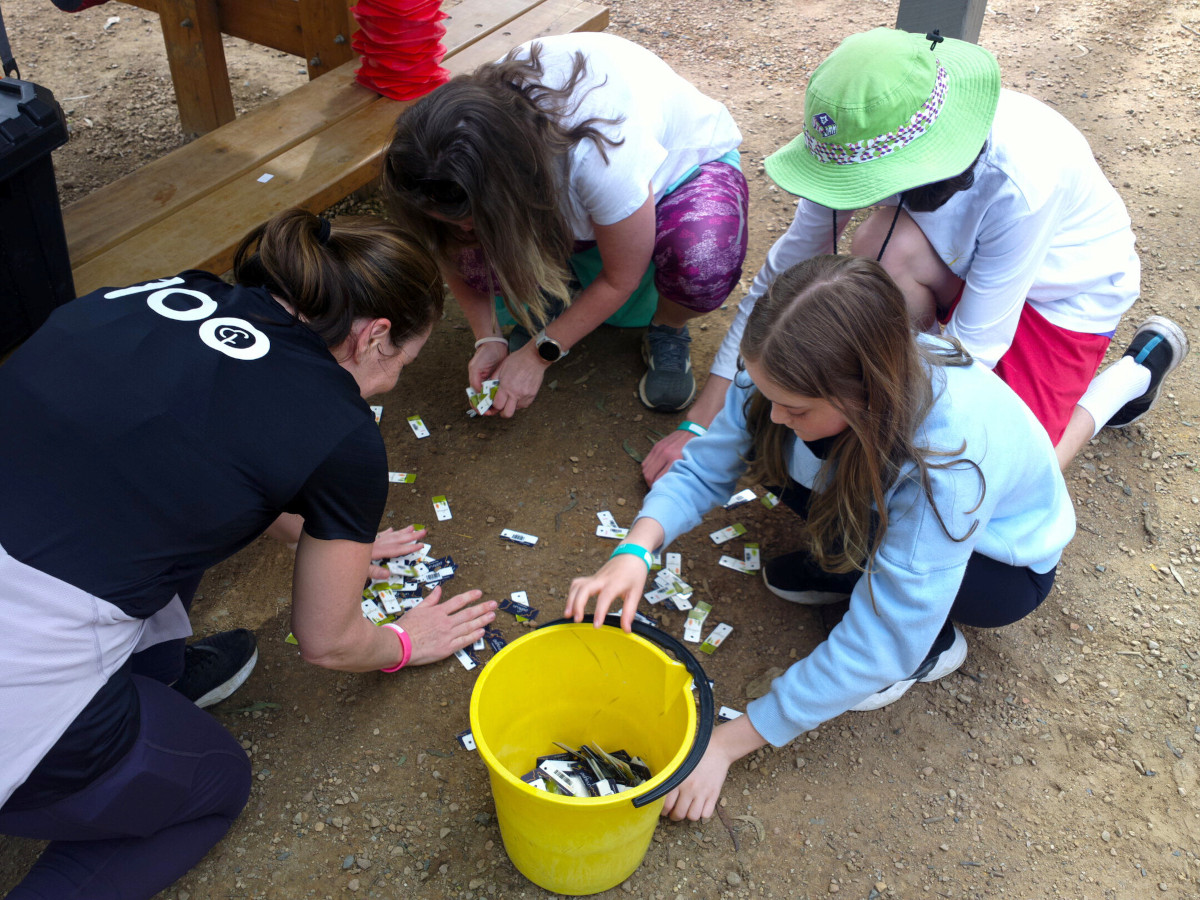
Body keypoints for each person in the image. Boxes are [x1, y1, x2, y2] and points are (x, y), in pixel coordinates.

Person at [0, 209, 497, 899]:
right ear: (374, 336)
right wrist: (404, 642)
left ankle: (155, 681)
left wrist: (329, 535)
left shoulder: (163, 294)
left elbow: (188, 448)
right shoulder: (343, 432)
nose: (390, 386)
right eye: (403, 366)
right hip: (17, 684)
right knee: (213, 783)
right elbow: (328, 644)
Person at [566, 255, 1076, 821]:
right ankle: (852, 564)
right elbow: (706, 467)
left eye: (797, 407)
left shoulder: (948, 465)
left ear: (863, 391)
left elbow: (881, 638)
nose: (777, 415)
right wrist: (636, 547)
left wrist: (727, 743)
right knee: (789, 453)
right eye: (767, 393)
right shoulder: (782, 373)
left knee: (890, 632)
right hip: (879, 480)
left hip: (999, 570)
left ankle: (933, 642)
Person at [642, 27, 1187, 483]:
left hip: (1059, 293)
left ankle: (1129, 377)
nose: (880, 192)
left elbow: (975, 349)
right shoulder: (862, 133)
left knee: (1006, 469)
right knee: (883, 252)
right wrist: (703, 422)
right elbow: (778, 282)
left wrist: (875, 423)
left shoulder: (1024, 181)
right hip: (956, 266)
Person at [382, 31, 749, 417]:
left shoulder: (600, 158)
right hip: (550, 190)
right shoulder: (452, 147)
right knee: (475, 245)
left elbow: (621, 277)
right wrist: (486, 337)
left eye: (471, 221)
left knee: (703, 260)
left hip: (682, 169)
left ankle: (668, 328)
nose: (464, 232)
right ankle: (554, 297)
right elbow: (448, 248)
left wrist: (541, 355)